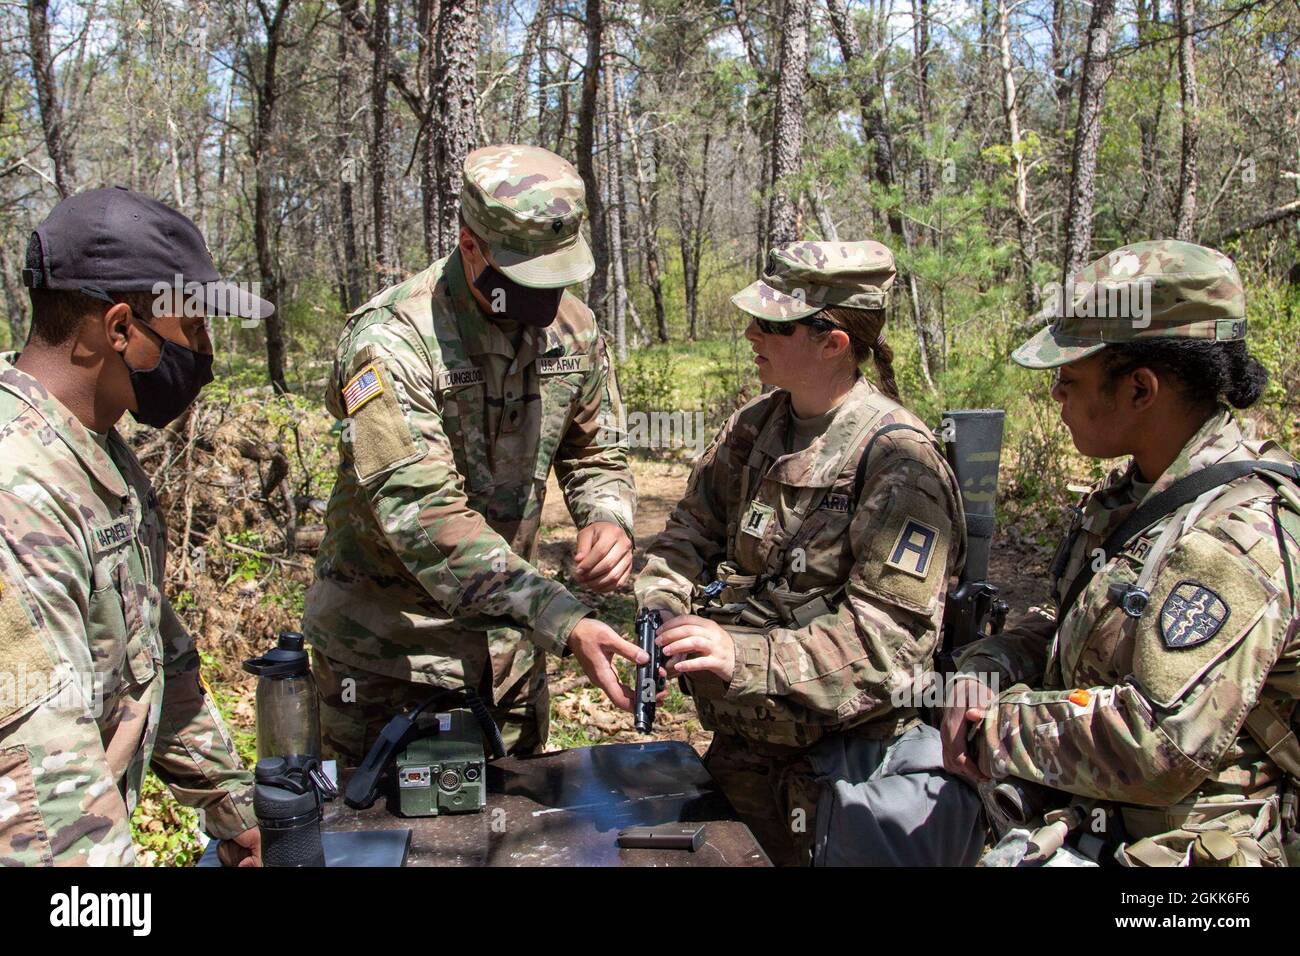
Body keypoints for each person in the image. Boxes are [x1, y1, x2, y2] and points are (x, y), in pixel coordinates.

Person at [941, 240, 1300, 867]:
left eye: (1070, 378)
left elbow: (1158, 741)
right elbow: (1074, 630)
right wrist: (990, 662)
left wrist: (996, 722)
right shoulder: (1135, 501)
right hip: (1095, 817)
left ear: (1140, 389)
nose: (1055, 396)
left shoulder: (1233, 537)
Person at [634, 240, 985, 866]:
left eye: (773, 324)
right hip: (744, 754)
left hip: (844, 776)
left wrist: (740, 656)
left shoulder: (899, 463)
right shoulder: (753, 428)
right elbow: (688, 534)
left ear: (833, 342)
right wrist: (659, 611)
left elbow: (887, 649)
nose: (750, 333)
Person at [302, 144, 642, 764]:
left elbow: (597, 453)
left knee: (522, 841)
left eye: (557, 277)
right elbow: (423, 516)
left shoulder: (575, 329)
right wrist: (562, 617)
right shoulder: (389, 342)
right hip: (390, 663)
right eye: (524, 278)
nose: (546, 300)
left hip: (509, 660)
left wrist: (607, 517)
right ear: (470, 247)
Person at [0, 187, 269, 866]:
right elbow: (41, 806)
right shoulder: (19, 492)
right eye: (194, 328)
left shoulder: (96, 450)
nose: (205, 352)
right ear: (119, 328)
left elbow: (154, 654)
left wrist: (232, 810)